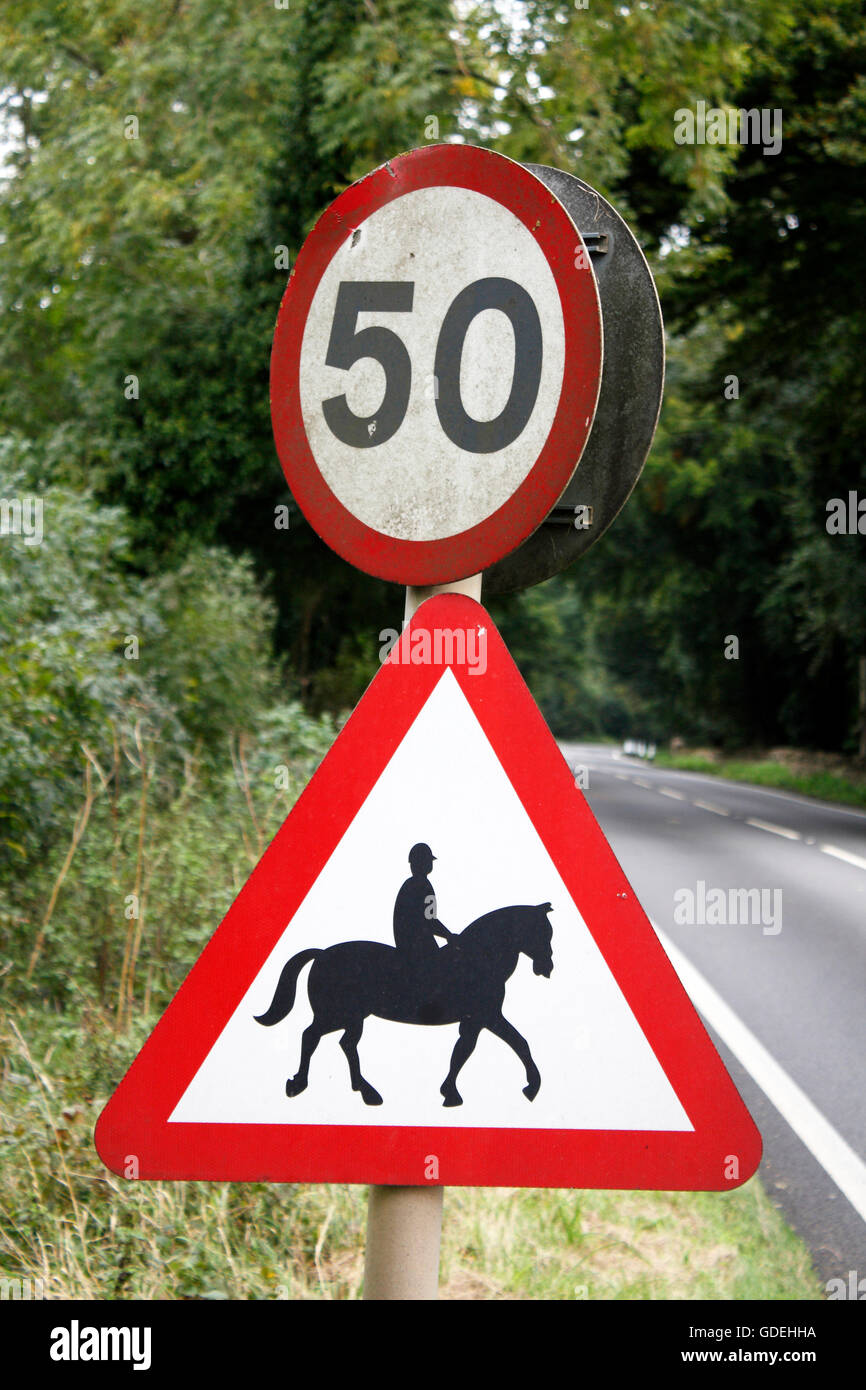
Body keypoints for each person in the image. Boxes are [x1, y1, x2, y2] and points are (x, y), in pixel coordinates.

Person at [393, 843, 455, 968]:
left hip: (404, 942)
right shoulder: (425, 885)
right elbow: (430, 920)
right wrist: (449, 935)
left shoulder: (408, 884)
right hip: (419, 943)